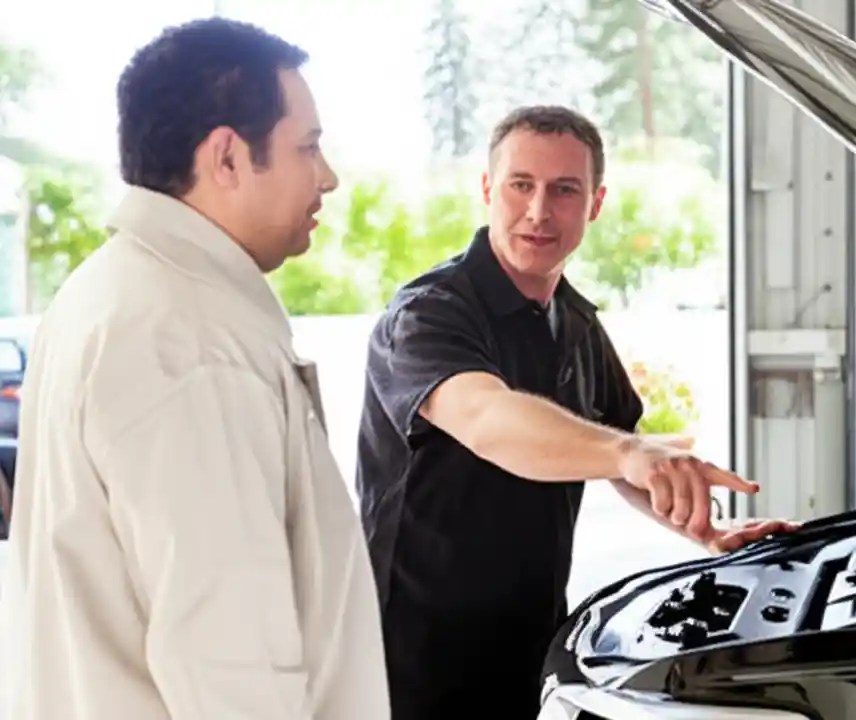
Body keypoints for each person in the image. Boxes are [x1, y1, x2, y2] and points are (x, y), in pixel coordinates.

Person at [0, 18, 389, 720]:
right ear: (229, 157)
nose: (326, 176)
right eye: (308, 147)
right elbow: (231, 663)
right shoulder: (189, 340)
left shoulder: (112, 292)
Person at [355, 104, 797, 718]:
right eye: (520, 185)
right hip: (408, 658)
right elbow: (488, 420)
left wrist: (703, 529)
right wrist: (629, 452)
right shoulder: (429, 315)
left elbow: (619, 451)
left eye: (565, 190)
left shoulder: (578, 322)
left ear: (595, 203)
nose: (539, 211)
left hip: (527, 643)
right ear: (487, 189)